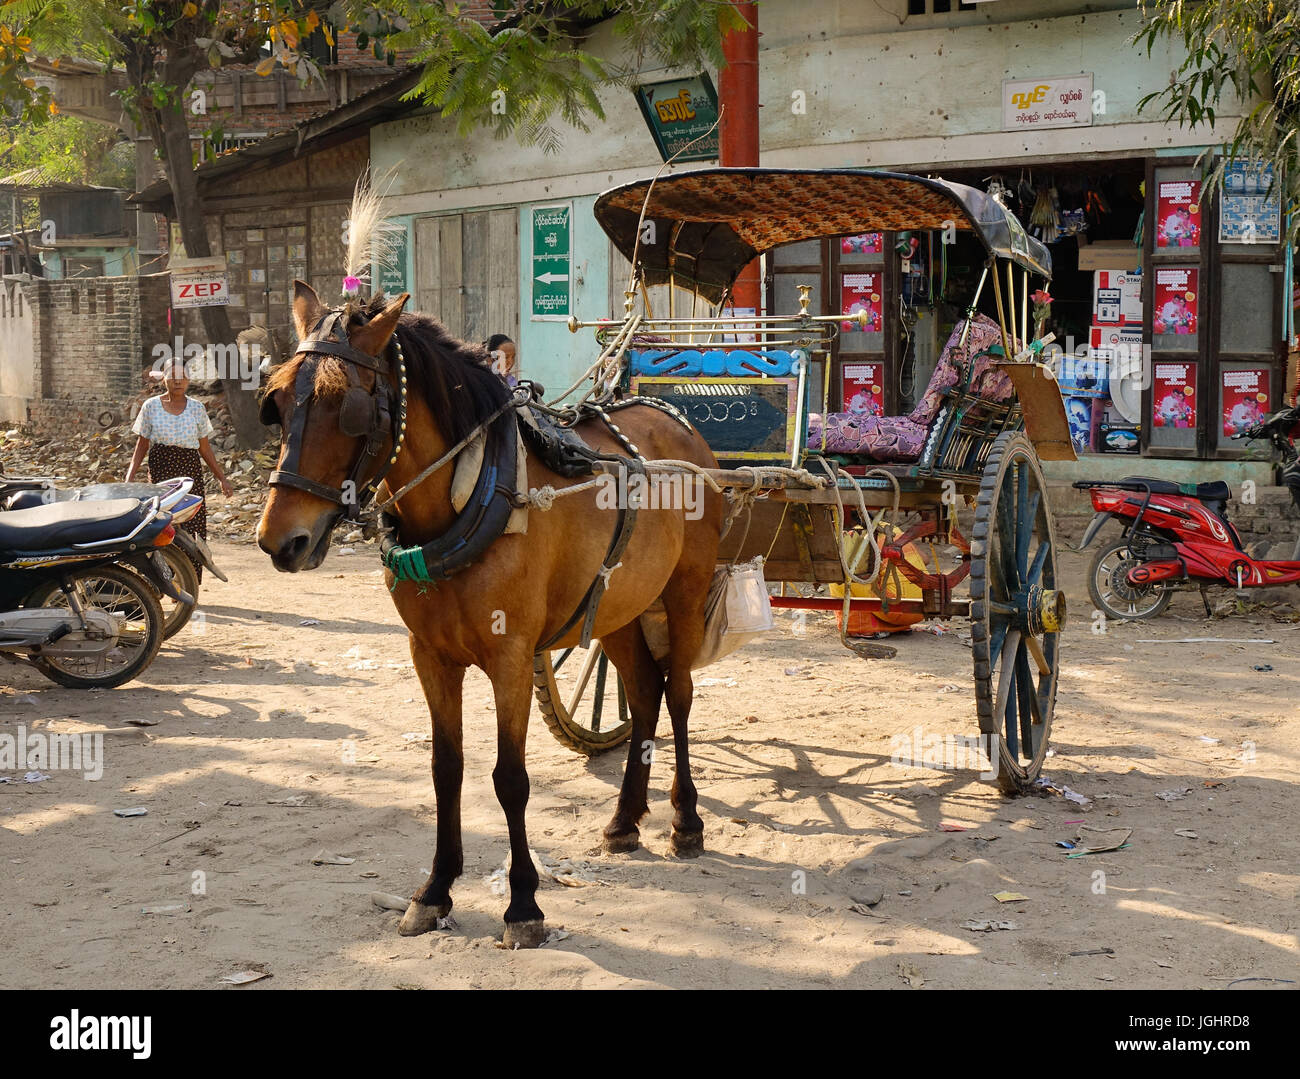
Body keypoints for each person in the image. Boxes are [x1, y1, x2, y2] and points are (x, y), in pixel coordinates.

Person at [125, 358, 233, 582]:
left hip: (190, 469)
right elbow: (142, 445)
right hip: (161, 468)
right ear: (163, 379)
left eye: (182, 377)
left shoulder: (196, 408)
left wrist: (222, 478)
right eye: (172, 377)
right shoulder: (151, 406)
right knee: (162, 525)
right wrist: (130, 476)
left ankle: (189, 580)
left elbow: (204, 447)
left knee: (193, 525)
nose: (178, 382)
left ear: (188, 381)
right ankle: (164, 579)